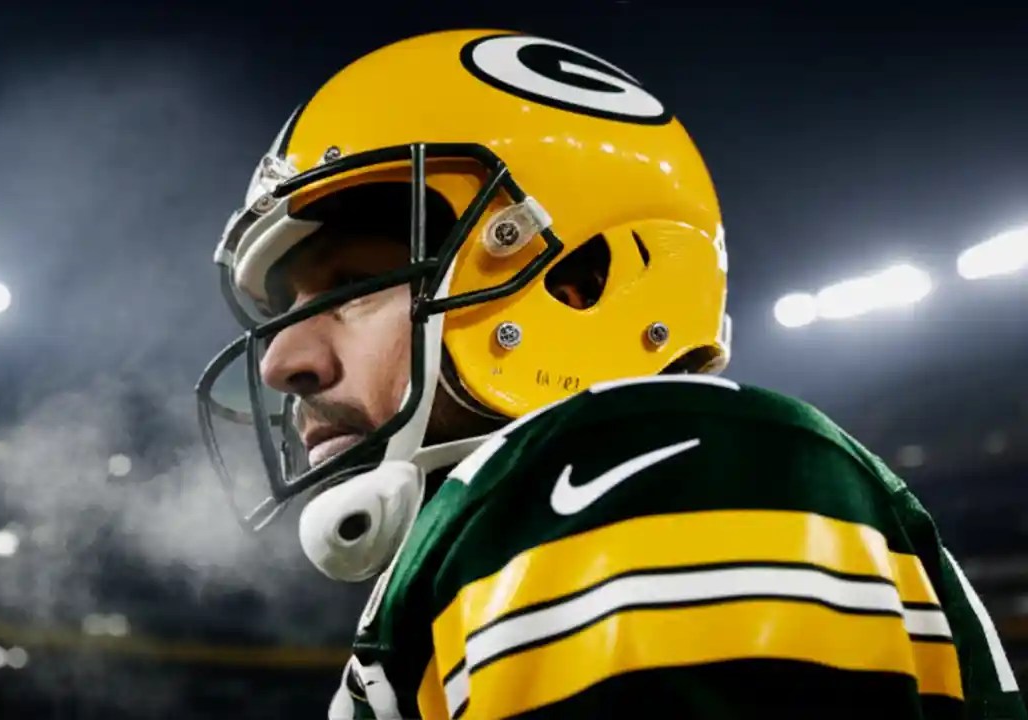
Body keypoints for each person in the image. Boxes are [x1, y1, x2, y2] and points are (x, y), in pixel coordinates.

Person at [195, 28, 1025, 720]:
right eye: (284, 310)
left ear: (579, 281)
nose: (280, 361)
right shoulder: (477, 539)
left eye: (350, 289)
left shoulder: (639, 469)